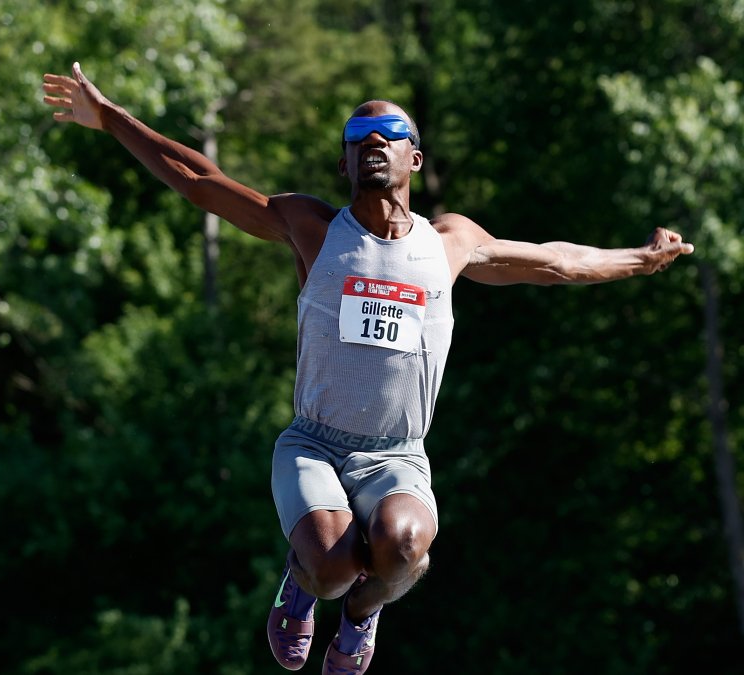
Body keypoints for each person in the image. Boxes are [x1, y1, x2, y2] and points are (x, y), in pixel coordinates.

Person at [41, 62, 694, 674]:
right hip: (314, 444)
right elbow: (198, 180)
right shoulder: (313, 228)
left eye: (390, 131)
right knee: (330, 566)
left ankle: (362, 612)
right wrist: (111, 118)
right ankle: (302, 584)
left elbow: (559, 262)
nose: (374, 140)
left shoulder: (450, 243)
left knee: (404, 548)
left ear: (415, 157)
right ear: (345, 161)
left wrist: (640, 259)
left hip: (397, 454)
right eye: (358, 135)